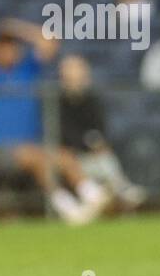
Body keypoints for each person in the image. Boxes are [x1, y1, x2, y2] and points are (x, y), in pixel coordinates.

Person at [0, 6, 107, 224]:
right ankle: (66, 207)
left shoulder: (26, 70)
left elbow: (51, 41)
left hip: (33, 145)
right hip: (2, 150)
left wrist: (15, 27)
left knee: (64, 156)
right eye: (2, 47)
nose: (7, 51)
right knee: (36, 158)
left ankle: (92, 195)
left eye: (11, 46)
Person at [57, 55, 145, 209]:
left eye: (79, 74)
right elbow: (64, 134)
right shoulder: (55, 101)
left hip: (93, 155)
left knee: (106, 157)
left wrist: (95, 142)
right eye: (70, 75)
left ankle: (119, 189)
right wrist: (87, 143)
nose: (75, 79)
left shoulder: (92, 100)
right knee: (98, 162)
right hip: (70, 158)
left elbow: (99, 128)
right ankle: (103, 196)